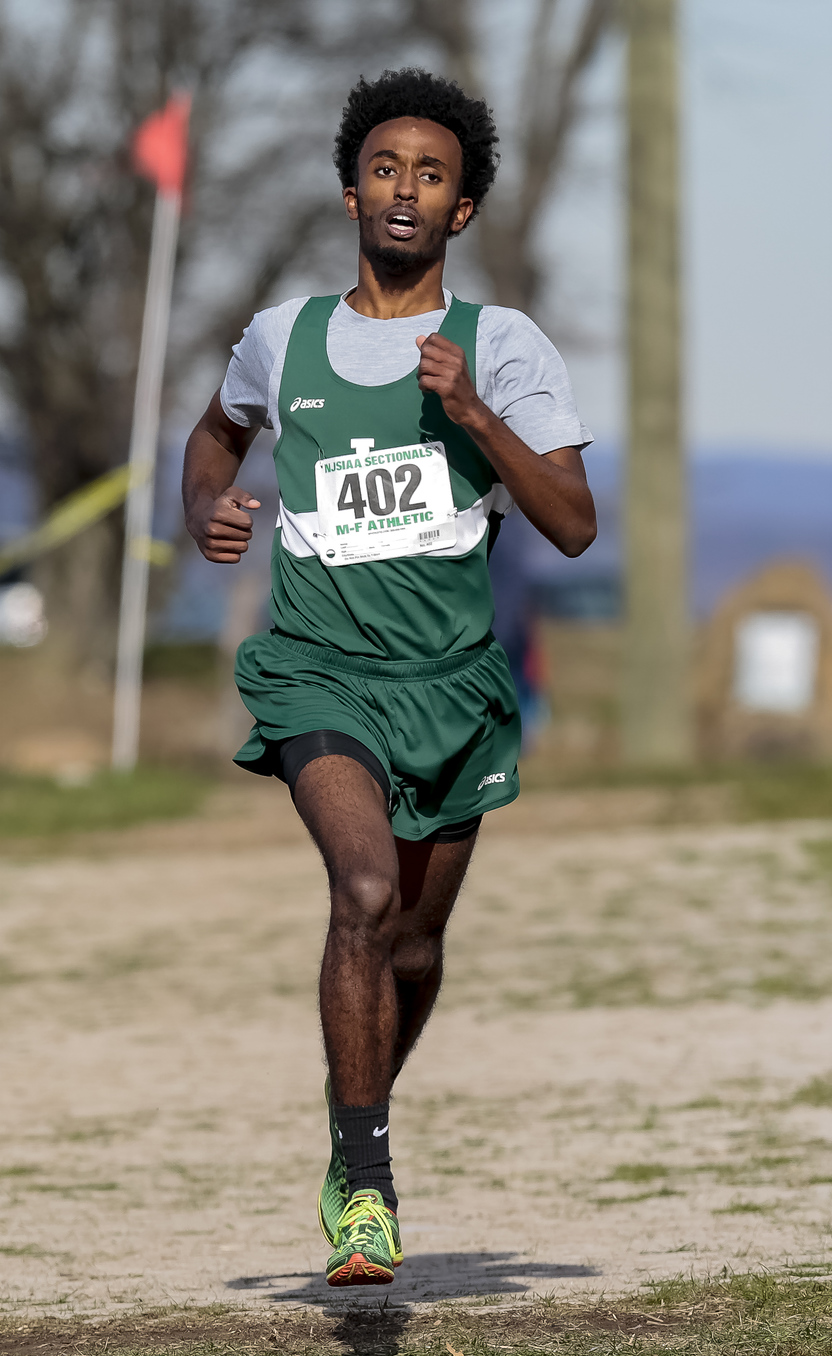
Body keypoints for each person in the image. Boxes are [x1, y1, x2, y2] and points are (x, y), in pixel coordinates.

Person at [183, 67, 596, 1288]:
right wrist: (210, 506)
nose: (404, 190)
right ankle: (367, 1182)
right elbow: (215, 433)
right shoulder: (284, 336)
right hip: (319, 670)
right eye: (383, 168)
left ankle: (346, 1115)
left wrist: (475, 416)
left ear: (460, 209)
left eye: (431, 174)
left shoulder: (503, 347)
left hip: (451, 685)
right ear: (349, 189)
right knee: (361, 890)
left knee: (410, 945)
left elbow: (572, 521)